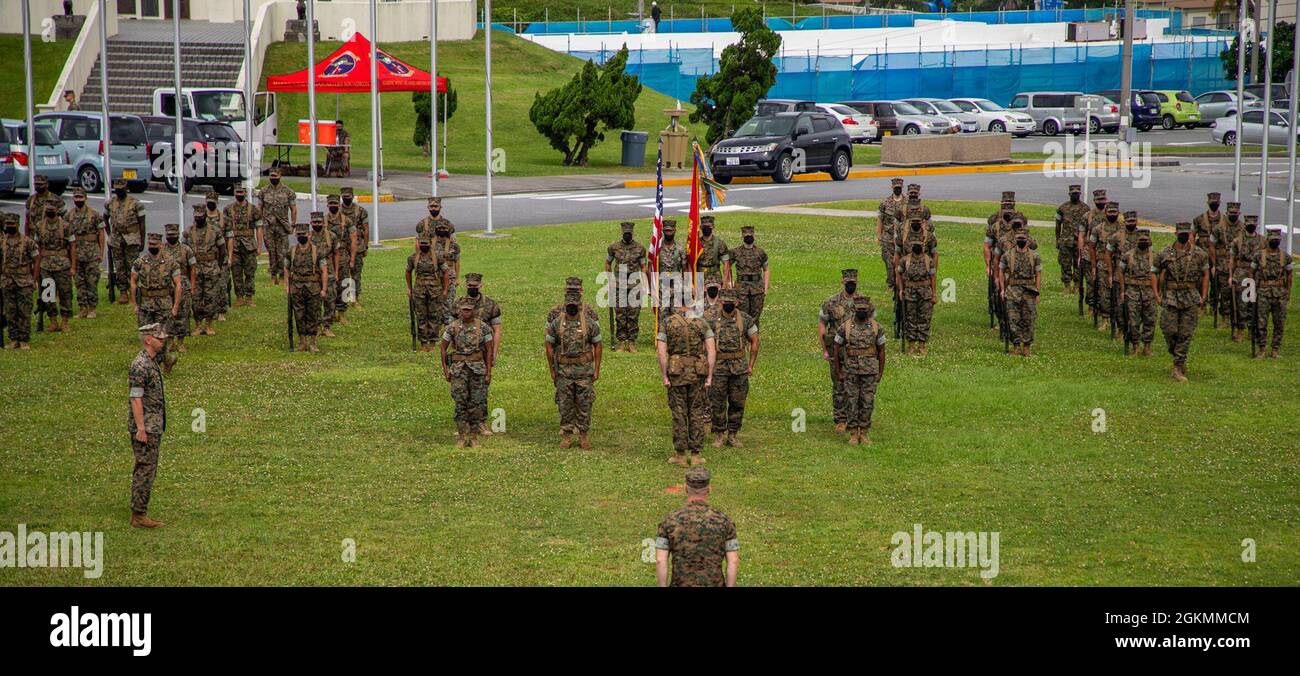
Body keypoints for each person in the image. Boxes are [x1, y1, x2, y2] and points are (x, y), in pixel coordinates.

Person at [658, 284, 715, 466]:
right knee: (696, 412)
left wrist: (665, 376)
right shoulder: (701, 322)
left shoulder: (667, 323)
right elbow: (711, 350)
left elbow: (661, 352)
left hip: (677, 374)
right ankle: (696, 455)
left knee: (679, 413)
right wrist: (709, 376)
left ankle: (680, 455)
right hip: (697, 374)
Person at [654, 467, 740, 588]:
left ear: (685, 489)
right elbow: (733, 561)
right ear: (709, 489)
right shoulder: (724, 521)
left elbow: (660, 560)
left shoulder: (669, 520)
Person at [545, 289, 602, 449]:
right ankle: (567, 435)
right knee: (565, 405)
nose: (571, 307)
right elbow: (549, 345)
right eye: (569, 304)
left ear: (579, 305)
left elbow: (598, 345)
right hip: (564, 372)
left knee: (585, 404)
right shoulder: (557, 323)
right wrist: (552, 370)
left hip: (584, 373)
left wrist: (596, 369)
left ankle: (583, 436)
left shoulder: (589, 323)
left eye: (574, 305)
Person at [128, 323, 170, 529]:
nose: (162, 341)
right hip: (147, 427)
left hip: (153, 424)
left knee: (145, 468)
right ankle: (139, 515)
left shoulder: (151, 362)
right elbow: (136, 399)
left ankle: (139, 509)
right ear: (148, 340)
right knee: (145, 469)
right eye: (159, 338)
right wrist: (141, 429)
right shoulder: (140, 365)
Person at [1157, 222, 1209, 382]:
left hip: (1190, 296)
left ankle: (1178, 366)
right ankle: (1177, 354)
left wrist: (1203, 295)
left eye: (1187, 233)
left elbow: (1205, 274)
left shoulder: (1200, 254)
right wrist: (1157, 294)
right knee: (1169, 330)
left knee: (1186, 333)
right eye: (1182, 232)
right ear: (1176, 233)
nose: (1184, 235)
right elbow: (1155, 272)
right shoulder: (1165, 253)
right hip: (1171, 296)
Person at [441, 298, 495, 448]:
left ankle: (474, 436)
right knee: (460, 402)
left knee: (476, 403)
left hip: (477, 370)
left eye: (469, 309)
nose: (466, 312)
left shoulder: (483, 327)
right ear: (459, 310)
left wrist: (488, 372)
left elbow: (489, 349)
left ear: (474, 310)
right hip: (459, 370)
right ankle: (462, 435)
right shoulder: (452, 327)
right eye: (463, 309)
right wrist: (446, 370)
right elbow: (443, 348)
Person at [832, 295, 886, 445]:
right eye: (859, 309)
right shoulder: (846, 327)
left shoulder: (876, 327)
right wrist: (839, 371)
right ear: (854, 310)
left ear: (868, 310)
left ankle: (864, 431)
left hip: (869, 373)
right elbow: (836, 348)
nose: (862, 311)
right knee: (851, 401)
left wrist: (880, 372)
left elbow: (881, 351)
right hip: (851, 372)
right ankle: (853, 433)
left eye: (864, 309)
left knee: (867, 402)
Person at [708, 288, 758, 448]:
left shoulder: (745, 319)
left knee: (738, 402)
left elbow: (755, 341)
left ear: (737, 303)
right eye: (725, 302)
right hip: (718, 368)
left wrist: (750, 365)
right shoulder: (710, 318)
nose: (728, 305)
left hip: (739, 368)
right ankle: (719, 435)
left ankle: (733, 434)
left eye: (731, 303)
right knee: (717, 402)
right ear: (721, 302)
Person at [820, 269, 866, 432]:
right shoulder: (831, 302)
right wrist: (825, 350)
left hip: (858, 351)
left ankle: (856, 419)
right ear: (843, 283)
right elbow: (822, 326)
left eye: (853, 283)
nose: (851, 285)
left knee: (856, 386)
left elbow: (871, 327)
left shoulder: (863, 303)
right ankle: (840, 419)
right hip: (837, 351)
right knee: (839, 384)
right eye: (848, 283)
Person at [129, 233, 182, 368]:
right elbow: (133, 282)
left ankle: (162, 361)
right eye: (150, 244)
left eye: (155, 244)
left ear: (161, 245)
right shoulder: (140, 262)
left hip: (164, 305)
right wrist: (134, 303)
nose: (152, 247)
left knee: (162, 336)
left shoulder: (171, 263)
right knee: (146, 335)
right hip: (145, 305)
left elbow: (178, 284)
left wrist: (175, 306)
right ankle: (153, 362)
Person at [459, 273, 502, 437]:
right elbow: (451, 328)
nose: (472, 289)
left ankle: (481, 422)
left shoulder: (490, 305)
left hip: (482, 353)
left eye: (474, 286)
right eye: (469, 286)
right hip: (462, 355)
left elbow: (497, 329)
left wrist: (493, 354)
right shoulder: (458, 304)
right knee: (462, 390)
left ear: (480, 286)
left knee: (481, 389)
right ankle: (464, 424)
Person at [184, 203, 230, 336]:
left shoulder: (215, 231)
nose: (198, 219)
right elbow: (183, 250)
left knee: (211, 297)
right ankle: (198, 325)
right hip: (195, 270)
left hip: (211, 267)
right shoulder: (189, 231)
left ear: (205, 216)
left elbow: (222, 250)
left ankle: (209, 324)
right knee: (196, 298)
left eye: (201, 216)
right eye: (196, 217)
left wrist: (219, 267)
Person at [33, 200, 76, 333]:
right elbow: (37, 248)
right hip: (46, 266)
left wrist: (73, 266)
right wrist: (36, 268)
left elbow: (73, 247)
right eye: (48, 209)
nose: (50, 211)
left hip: (63, 265)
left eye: (53, 209)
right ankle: (53, 321)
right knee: (48, 295)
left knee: (65, 294)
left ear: (57, 210)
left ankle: (65, 321)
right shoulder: (39, 226)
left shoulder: (66, 226)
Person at [999, 228, 1042, 356]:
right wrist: (1002, 289)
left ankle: (1027, 346)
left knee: (1029, 319)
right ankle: (1016, 346)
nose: (1021, 240)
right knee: (1013, 319)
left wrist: (1038, 292)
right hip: (1012, 291)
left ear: (1027, 239)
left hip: (1029, 291)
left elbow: (1038, 274)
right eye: (1019, 238)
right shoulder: (1007, 255)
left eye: (1023, 238)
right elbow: (1001, 271)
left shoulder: (1035, 256)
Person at [286, 223, 329, 353]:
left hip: (313, 288)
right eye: (299, 235)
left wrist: (324, 289)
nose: (301, 237)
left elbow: (324, 271)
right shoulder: (291, 251)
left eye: (303, 234)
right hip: (297, 288)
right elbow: (286, 268)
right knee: (299, 315)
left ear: (309, 235)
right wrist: (287, 286)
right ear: (295, 235)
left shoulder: (318, 251)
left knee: (313, 315)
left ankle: (312, 342)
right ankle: (302, 341)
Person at [1117, 228, 1159, 356]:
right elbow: (1120, 272)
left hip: (1149, 293)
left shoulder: (1155, 257)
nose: (1143, 242)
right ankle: (1135, 346)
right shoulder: (1127, 255)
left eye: (1145, 240)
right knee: (1133, 321)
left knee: (1150, 320)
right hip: (1133, 292)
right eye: (1141, 240)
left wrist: (1158, 292)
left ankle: (1147, 346)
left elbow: (1160, 275)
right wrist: (1123, 290)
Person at [605, 221, 647, 351]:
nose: (627, 235)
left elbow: (643, 267)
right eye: (625, 233)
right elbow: (607, 263)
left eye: (629, 233)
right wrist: (610, 278)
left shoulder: (640, 249)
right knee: (620, 313)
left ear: (632, 233)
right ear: (622, 233)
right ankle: (622, 341)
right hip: (619, 285)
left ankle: (632, 341)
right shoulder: (613, 248)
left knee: (633, 313)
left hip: (634, 285)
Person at [1251, 227, 1292, 358]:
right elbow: (1251, 273)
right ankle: (1262, 348)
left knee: (1279, 322)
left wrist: (1288, 292)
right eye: (1273, 239)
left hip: (1280, 294)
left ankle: (1275, 349)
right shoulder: (1258, 256)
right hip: (1263, 292)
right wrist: (1252, 291)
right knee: (1261, 322)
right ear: (1268, 239)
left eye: (1277, 239)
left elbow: (1289, 275)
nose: (1275, 242)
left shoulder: (1285, 257)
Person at [160, 223, 196, 366]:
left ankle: (181, 341)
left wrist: (192, 287)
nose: (171, 237)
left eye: (173, 235)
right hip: (166, 286)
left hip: (184, 284)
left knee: (183, 313)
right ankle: (170, 341)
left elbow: (193, 268)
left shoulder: (186, 250)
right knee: (167, 314)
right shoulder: (162, 250)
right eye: (169, 235)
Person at [896, 228, 937, 355]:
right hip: (910, 293)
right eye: (915, 245)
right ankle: (911, 345)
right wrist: (901, 290)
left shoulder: (928, 260)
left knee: (924, 318)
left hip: (925, 293)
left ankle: (922, 344)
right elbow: (899, 274)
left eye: (919, 245)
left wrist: (934, 294)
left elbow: (932, 277)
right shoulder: (905, 260)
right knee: (910, 318)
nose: (917, 247)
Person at [2, 212, 40, 349]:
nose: (9, 226)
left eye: (12, 224)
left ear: (18, 225)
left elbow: (36, 261)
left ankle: (24, 339)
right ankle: (13, 339)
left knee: (24, 311)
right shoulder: (2, 242)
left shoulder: (28, 242)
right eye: (7, 224)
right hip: (7, 281)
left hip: (24, 281)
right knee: (10, 311)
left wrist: (34, 279)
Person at [406, 232, 449, 351]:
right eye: (422, 243)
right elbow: (408, 272)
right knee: (421, 315)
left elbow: (445, 273)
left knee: (434, 315)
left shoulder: (438, 257)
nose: (424, 245)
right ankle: (424, 342)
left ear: (430, 244)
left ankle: (432, 342)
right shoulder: (413, 258)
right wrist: (409, 288)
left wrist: (445, 290)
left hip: (435, 290)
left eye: (426, 243)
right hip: (419, 290)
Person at [66, 188, 105, 319]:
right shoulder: (69, 215)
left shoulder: (94, 214)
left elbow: (101, 234)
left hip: (91, 254)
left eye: (80, 197)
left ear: (85, 198)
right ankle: (83, 308)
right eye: (76, 197)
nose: (78, 200)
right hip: (76, 254)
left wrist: (101, 252)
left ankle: (92, 308)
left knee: (92, 281)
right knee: (79, 282)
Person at [106, 178, 145, 303]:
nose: (119, 191)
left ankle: (134, 291)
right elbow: (105, 218)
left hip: (132, 238)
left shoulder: (136, 203)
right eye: (117, 189)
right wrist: (110, 235)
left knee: (133, 266)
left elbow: (142, 223)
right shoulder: (110, 203)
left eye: (121, 189)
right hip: (117, 239)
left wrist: (142, 240)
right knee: (119, 266)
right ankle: (123, 292)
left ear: (126, 188)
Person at [1227, 215, 1264, 343]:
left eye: (1253, 223)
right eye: (1249, 223)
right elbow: (1232, 260)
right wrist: (1231, 276)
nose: (1251, 225)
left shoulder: (1263, 241)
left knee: (1254, 302)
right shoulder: (1237, 241)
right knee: (1241, 302)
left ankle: (1251, 330)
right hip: (1241, 273)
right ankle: (1240, 330)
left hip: (1256, 274)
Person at [224, 185, 263, 307]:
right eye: (237, 192)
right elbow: (224, 229)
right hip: (234, 246)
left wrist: (259, 246)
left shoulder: (254, 209)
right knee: (236, 272)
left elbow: (259, 228)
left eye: (241, 192)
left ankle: (249, 297)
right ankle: (239, 297)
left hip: (249, 246)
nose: (239, 194)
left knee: (250, 272)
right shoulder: (228, 209)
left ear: (245, 193)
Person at [258, 168, 297, 286]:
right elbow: (260, 208)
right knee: (271, 250)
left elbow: (293, 209)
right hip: (268, 226)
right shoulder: (263, 191)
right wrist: (261, 222)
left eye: (275, 176)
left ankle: (282, 274)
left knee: (283, 251)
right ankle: (273, 274)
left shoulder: (288, 192)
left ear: (280, 176)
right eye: (271, 176)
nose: (273, 178)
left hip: (282, 226)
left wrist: (293, 224)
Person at [1210, 201, 1244, 328]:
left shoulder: (1243, 228)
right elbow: (1211, 246)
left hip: (1238, 266)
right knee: (1224, 293)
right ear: (1226, 213)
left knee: (1239, 293)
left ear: (1239, 213)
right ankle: (1225, 318)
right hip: (1222, 264)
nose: (1233, 215)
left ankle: (1238, 318)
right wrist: (1213, 264)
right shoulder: (1218, 228)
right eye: (1231, 213)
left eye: (1236, 213)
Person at [324, 194, 356, 327]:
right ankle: (329, 314)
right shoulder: (323, 220)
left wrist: (352, 259)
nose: (333, 206)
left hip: (343, 256)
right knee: (330, 287)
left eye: (335, 204)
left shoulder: (346, 221)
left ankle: (342, 314)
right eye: (330, 204)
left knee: (344, 284)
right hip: (327, 258)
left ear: (339, 204)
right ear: (327, 205)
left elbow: (354, 240)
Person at [306, 210, 339, 337]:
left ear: (323, 223)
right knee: (314, 302)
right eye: (314, 222)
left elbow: (336, 254)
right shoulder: (308, 237)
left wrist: (336, 272)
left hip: (329, 272)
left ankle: (327, 326)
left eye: (319, 222)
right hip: (313, 274)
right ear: (311, 223)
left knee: (330, 300)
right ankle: (317, 325)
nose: (317, 224)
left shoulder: (331, 236)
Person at [202, 191, 232, 322]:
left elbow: (230, 239)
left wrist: (229, 257)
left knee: (221, 284)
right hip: (206, 257)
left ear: (217, 202)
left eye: (213, 201)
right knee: (207, 285)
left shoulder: (224, 219)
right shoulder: (201, 218)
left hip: (221, 256)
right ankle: (209, 310)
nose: (211, 203)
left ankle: (221, 310)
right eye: (209, 201)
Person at [730, 225, 769, 323]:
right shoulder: (736, 252)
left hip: (757, 288)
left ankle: (755, 337)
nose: (748, 238)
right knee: (742, 316)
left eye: (750, 236)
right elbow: (727, 266)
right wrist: (730, 284)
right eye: (746, 236)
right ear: (742, 237)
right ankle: (743, 337)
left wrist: (765, 286)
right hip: (741, 288)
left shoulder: (760, 252)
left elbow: (766, 269)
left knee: (756, 316)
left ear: (754, 236)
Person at [338, 187, 369, 306]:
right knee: (344, 275)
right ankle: (346, 298)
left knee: (356, 274)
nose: (346, 198)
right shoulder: (338, 211)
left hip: (358, 246)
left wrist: (366, 246)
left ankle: (355, 299)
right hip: (342, 248)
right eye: (344, 196)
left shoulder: (360, 211)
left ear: (352, 196)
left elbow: (366, 229)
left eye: (348, 196)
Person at [1055, 184, 1087, 292]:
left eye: (1077, 193)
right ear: (1069, 194)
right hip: (1065, 241)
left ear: (1080, 194)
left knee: (1078, 263)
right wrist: (1057, 239)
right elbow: (1058, 224)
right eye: (1073, 193)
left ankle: (1077, 284)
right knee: (1065, 263)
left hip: (1079, 241)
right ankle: (1067, 285)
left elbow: (1088, 225)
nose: (1075, 195)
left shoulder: (1085, 208)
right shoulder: (1062, 208)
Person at [877, 178, 906, 288]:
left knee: (900, 262)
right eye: (895, 188)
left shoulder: (906, 203)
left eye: (899, 187)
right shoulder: (885, 203)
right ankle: (891, 282)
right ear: (892, 188)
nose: (897, 189)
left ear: (902, 188)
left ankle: (900, 282)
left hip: (901, 238)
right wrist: (879, 236)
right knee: (889, 262)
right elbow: (880, 220)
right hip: (888, 238)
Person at [694, 215, 731, 285]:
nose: (706, 228)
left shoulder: (720, 243)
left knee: (715, 296)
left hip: (715, 277)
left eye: (709, 226)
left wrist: (725, 281)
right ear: (700, 227)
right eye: (704, 226)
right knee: (700, 296)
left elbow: (726, 264)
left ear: (713, 226)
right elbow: (690, 263)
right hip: (699, 277)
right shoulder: (696, 244)